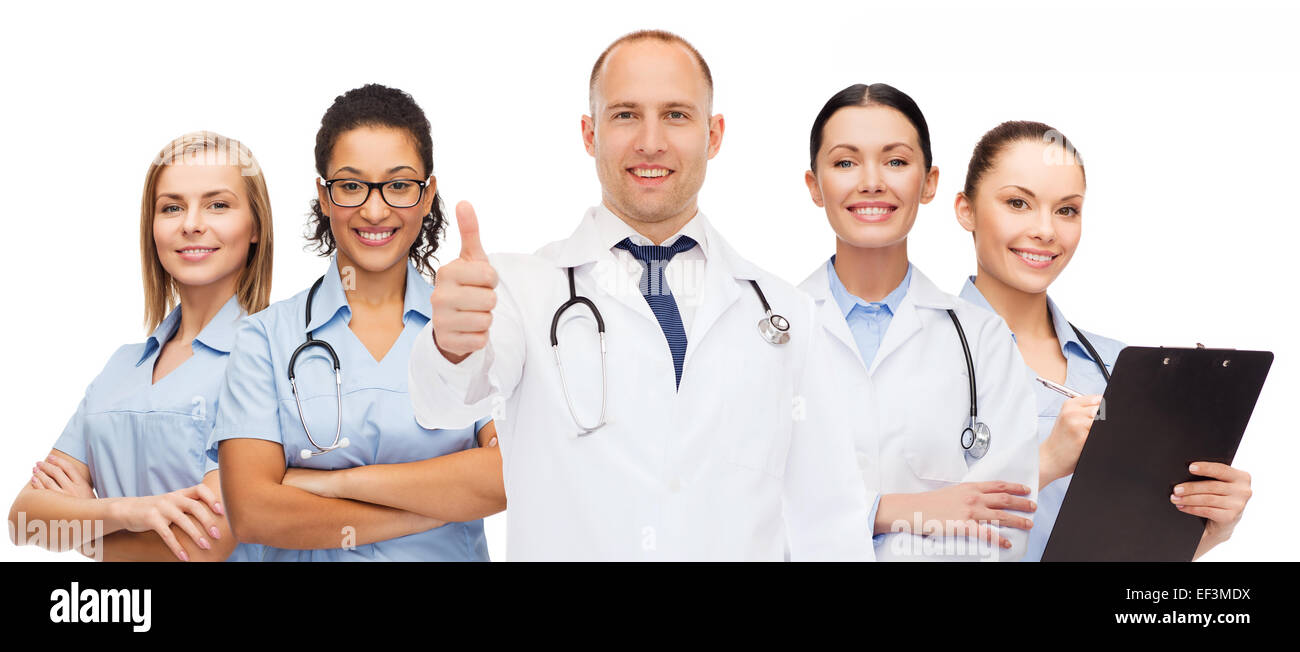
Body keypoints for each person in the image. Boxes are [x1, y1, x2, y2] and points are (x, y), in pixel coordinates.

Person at [408, 30, 872, 561]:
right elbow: (442, 403)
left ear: (713, 135)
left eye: (676, 115)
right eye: (625, 114)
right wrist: (450, 343)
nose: (650, 142)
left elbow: (829, 520)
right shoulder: (520, 290)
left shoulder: (785, 315)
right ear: (590, 133)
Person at [211, 84, 502, 561]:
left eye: (399, 185)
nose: (374, 209)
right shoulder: (264, 339)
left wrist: (336, 483)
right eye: (350, 185)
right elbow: (255, 512)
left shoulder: (475, 325)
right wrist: (436, 505)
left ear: (427, 195)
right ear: (323, 198)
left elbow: (512, 475)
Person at [954, 120, 1253, 561]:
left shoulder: (1118, 368)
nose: (1046, 230)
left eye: (1067, 210)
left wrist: (1206, 530)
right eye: (1018, 203)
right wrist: (1045, 463)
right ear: (966, 210)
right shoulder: (907, 356)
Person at [798, 84, 1038, 561]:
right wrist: (895, 510)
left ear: (928, 183)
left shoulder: (984, 342)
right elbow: (746, 520)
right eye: (846, 162)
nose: (871, 182)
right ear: (814, 186)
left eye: (896, 161)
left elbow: (1003, 530)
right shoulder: (769, 334)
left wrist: (839, 525)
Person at [8, 131, 272, 561]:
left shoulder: (268, 360)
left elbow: (202, 544)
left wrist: (86, 528)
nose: (191, 223)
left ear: (256, 226)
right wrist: (129, 511)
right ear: (152, 228)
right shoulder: (120, 368)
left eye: (217, 204)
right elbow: (24, 520)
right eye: (171, 207)